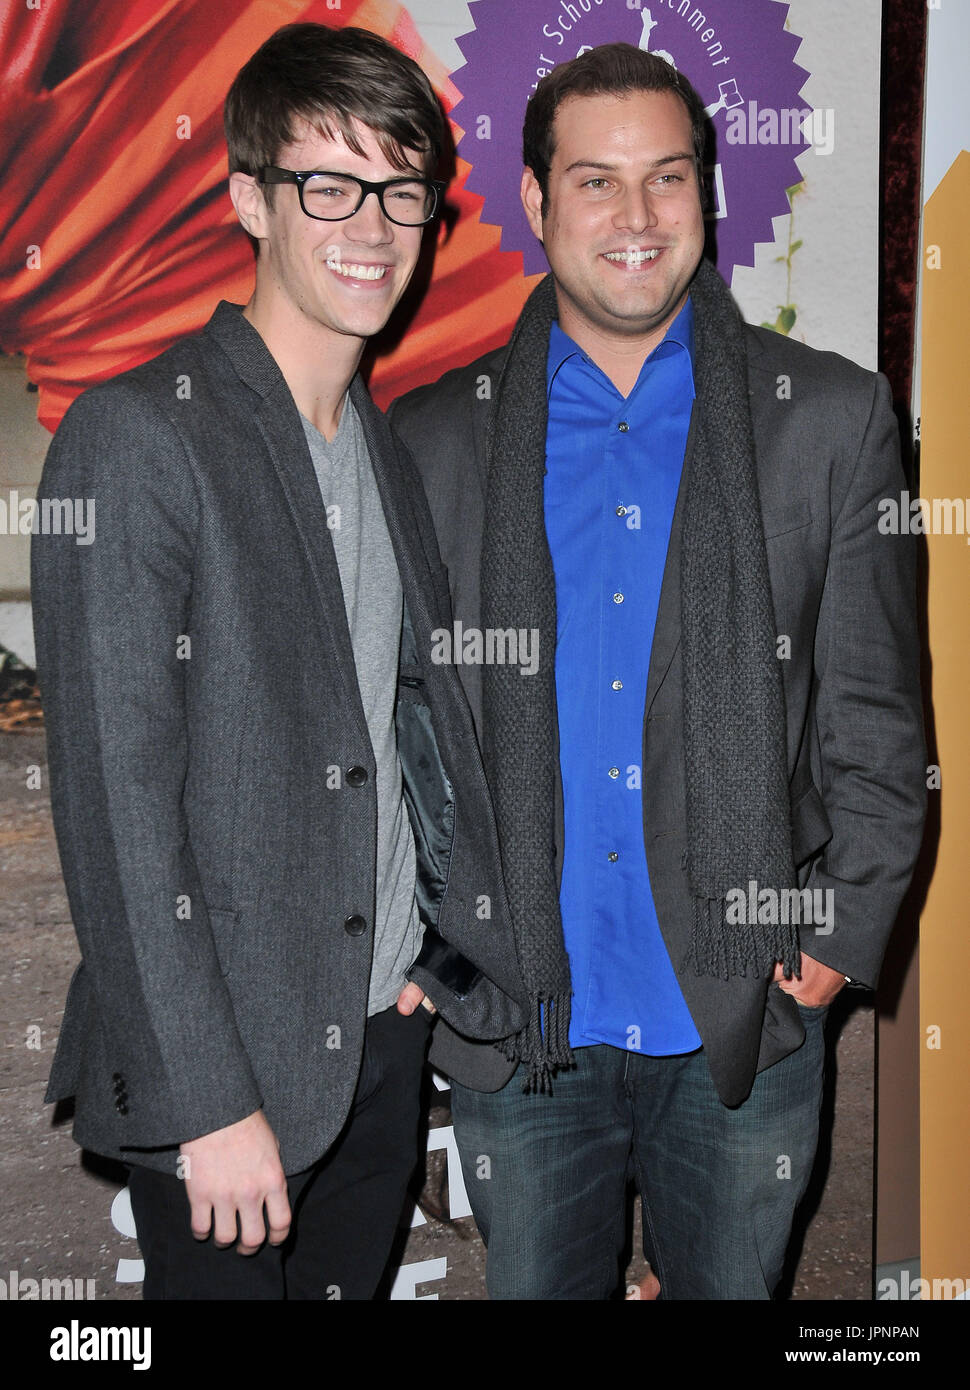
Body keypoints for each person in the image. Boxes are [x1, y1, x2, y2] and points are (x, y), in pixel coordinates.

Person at [389, 43, 926, 1300]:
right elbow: (409, 728)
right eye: (594, 181)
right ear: (534, 202)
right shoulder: (430, 435)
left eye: (666, 178)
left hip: (748, 1015)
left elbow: (876, 724)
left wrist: (837, 940)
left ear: (707, 192)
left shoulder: (830, 421)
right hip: (523, 1030)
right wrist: (444, 945)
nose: (635, 218)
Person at [31, 21, 525, 1302]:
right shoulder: (140, 436)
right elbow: (113, 808)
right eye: (328, 186)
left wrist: (433, 960)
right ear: (250, 197)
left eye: (400, 190)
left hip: (375, 1044)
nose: (371, 226)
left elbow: (408, 728)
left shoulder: (383, 443)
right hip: (227, 1076)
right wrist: (204, 1102)